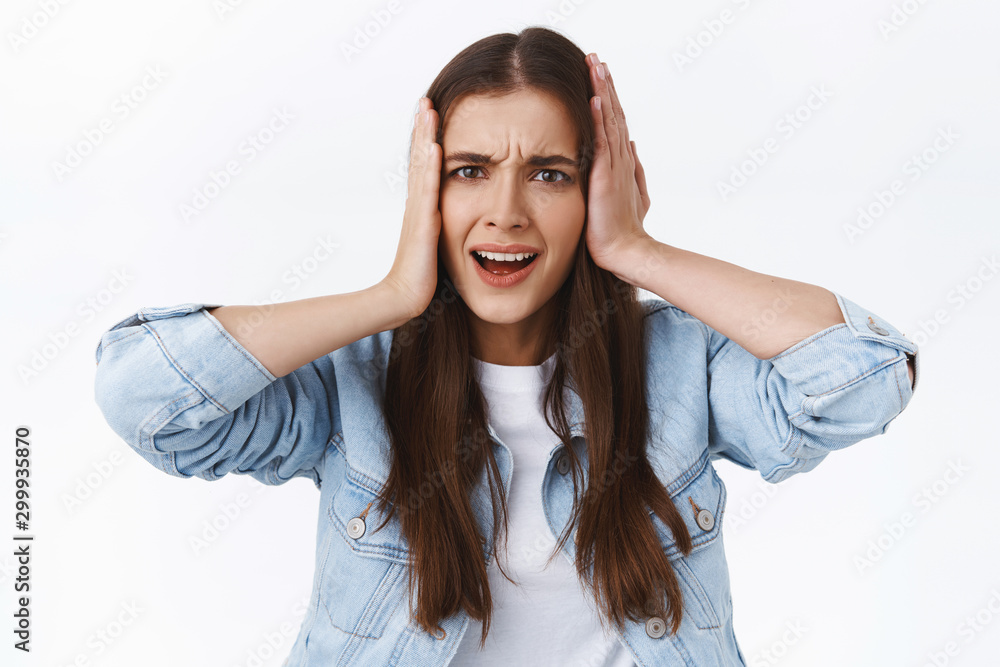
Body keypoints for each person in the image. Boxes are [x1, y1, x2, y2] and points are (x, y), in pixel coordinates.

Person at [93, 26, 919, 667]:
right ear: (428, 193)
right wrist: (390, 296)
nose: (507, 211)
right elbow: (141, 395)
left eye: (550, 173)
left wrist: (638, 250)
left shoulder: (679, 367)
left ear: (597, 191)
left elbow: (867, 377)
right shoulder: (355, 378)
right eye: (470, 170)